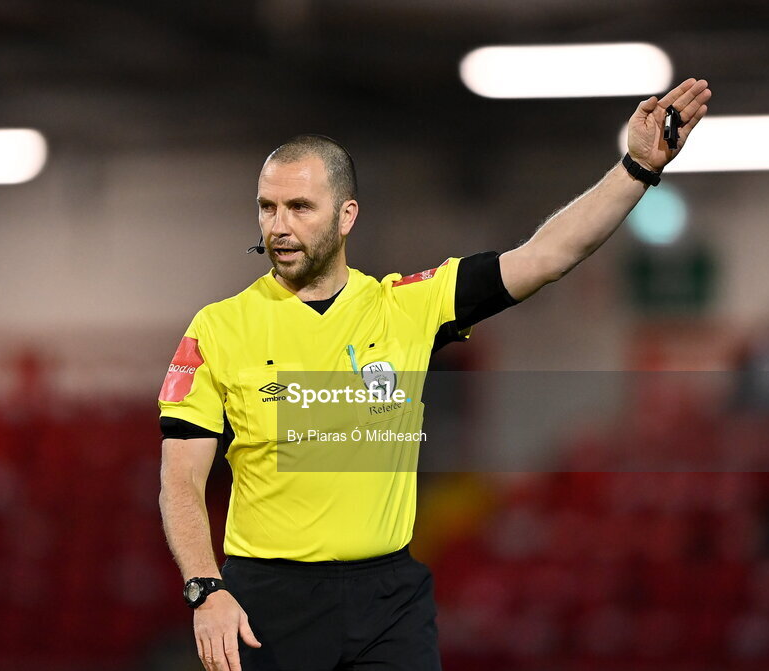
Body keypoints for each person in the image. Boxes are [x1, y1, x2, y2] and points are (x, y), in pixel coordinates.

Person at [158, 78, 712, 671]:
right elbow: (180, 482)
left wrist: (635, 168)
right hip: (269, 602)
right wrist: (204, 589)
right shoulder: (217, 328)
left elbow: (546, 257)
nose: (279, 226)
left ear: (347, 217)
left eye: (299, 207)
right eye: (267, 207)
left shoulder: (408, 307)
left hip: (389, 598)